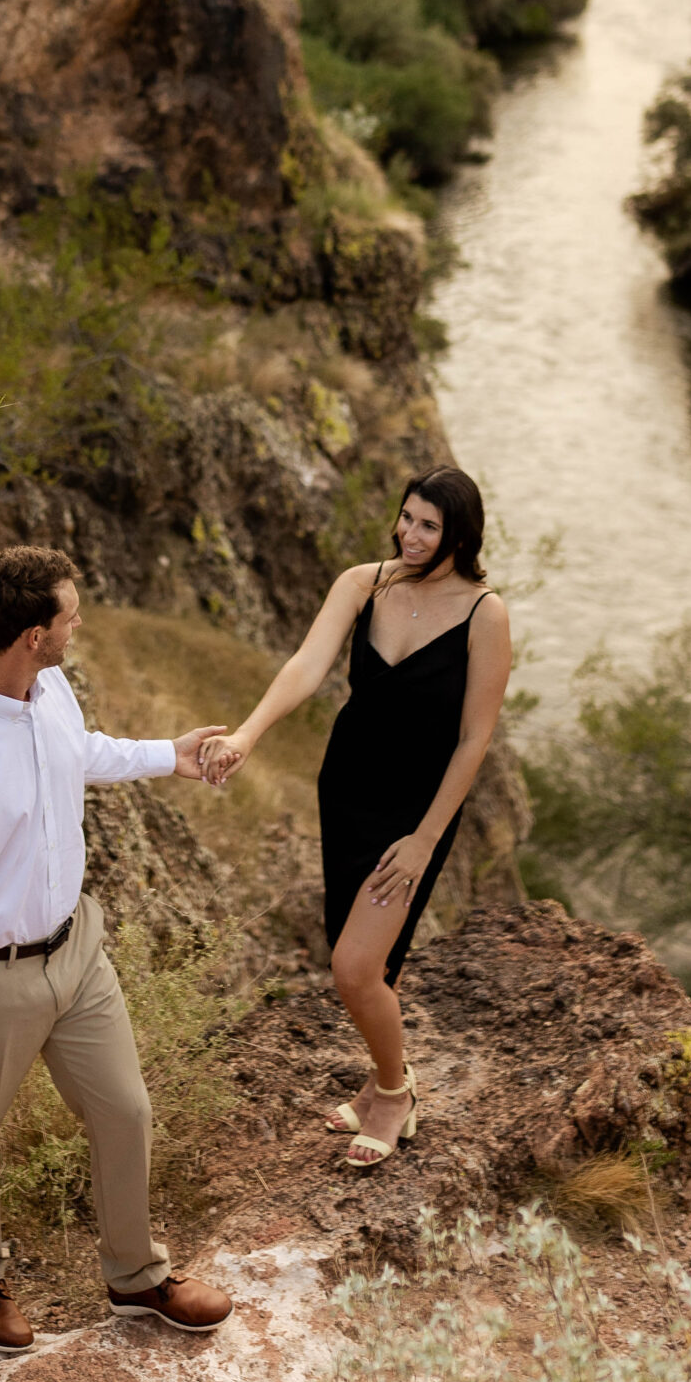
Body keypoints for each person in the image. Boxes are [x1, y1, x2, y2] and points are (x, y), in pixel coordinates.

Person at [0, 542, 236, 1355]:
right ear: (35, 634)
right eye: (70, 614)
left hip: (77, 955)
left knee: (124, 1109)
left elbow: (77, 755)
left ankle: (135, 1276)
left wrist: (166, 757)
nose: (80, 623)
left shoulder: (48, 689)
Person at [200, 465, 510, 1169]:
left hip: (412, 810)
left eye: (428, 525)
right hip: (345, 786)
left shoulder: (483, 613)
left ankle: (397, 1094)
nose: (409, 534)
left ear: (459, 533)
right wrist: (248, 734)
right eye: (405, 518)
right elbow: (306, 666)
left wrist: (424, 840)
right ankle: (376, 1087)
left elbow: (474, 739)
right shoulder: (361, 582)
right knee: (365, 960)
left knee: (354, 967)